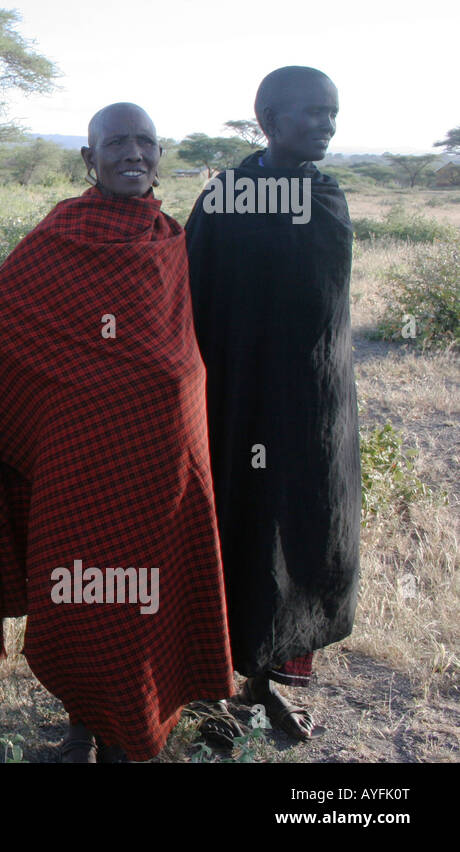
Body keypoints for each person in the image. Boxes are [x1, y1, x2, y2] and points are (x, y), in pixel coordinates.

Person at [0, 103, 234, 762]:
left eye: (146, 143)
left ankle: (140, 724)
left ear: (160, 155)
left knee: (151, 594)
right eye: (117, 143)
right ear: (89, 158)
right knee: (81, 591)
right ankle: (82, 725)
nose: (134, 153)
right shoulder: (62, 234)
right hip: (82, 461)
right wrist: (58, 402)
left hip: (166, 460)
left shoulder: (171, 237)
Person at [184, 67, 358, 741]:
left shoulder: (328, 195)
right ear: (269, 120)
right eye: (312, 112)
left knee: (303, 531)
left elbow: (325, 306)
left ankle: (270, 685)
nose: (326, 125)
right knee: (235, 532)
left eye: (333, 114)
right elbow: (192, 294)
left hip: (310, 405)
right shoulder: (225, 196)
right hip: (233, 401)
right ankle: (210, 686)